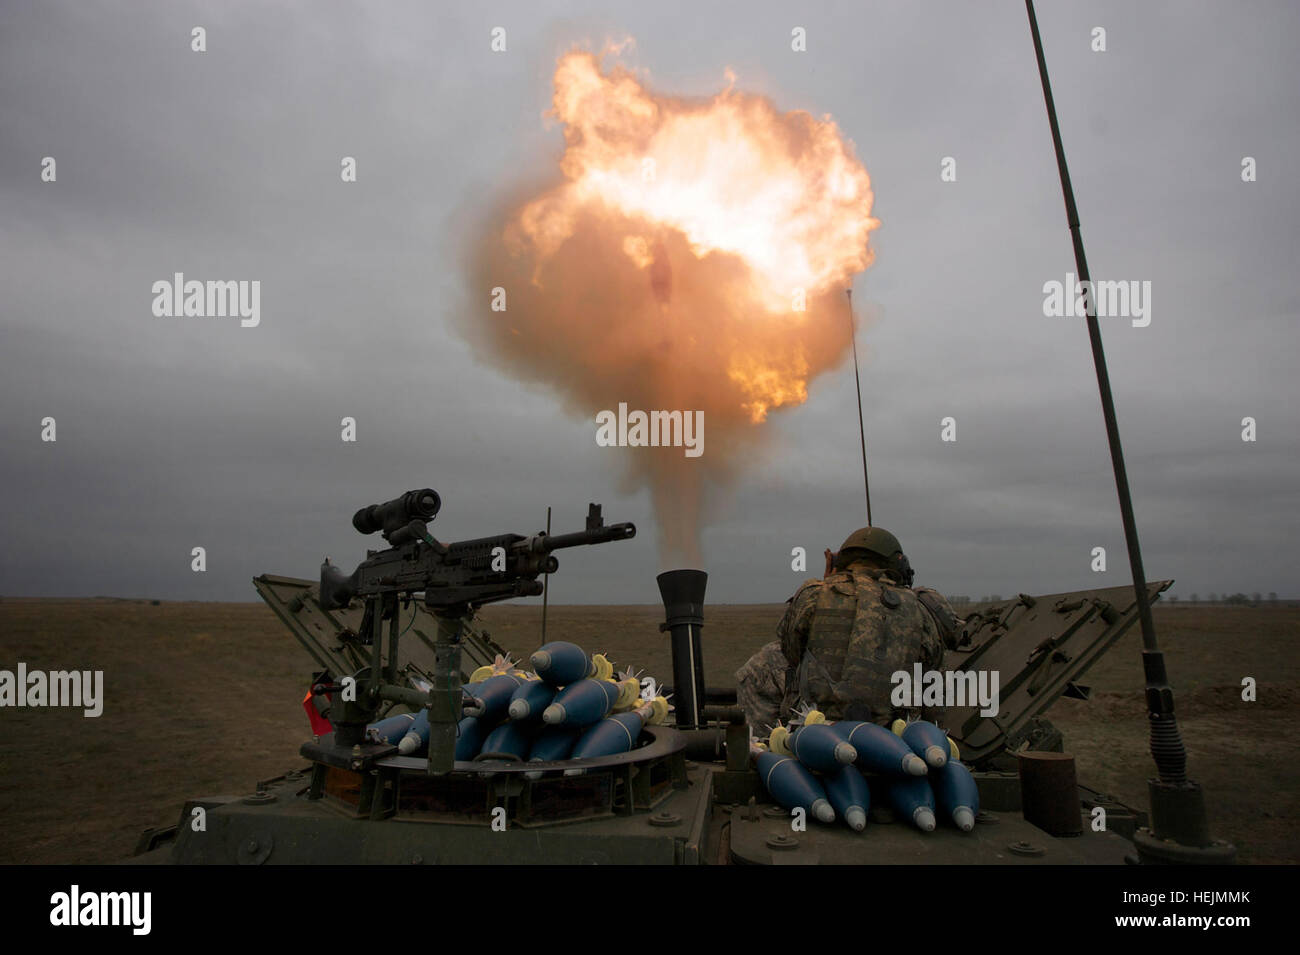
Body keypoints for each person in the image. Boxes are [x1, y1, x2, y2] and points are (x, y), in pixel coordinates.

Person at [735, 527, 962, 736]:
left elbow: (792, 652)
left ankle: (764, 744)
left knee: (758, 669)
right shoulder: (918, 609)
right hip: (894, 735)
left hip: (817, 727)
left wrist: (828, 585)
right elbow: (933, 670)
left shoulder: (814, 594)